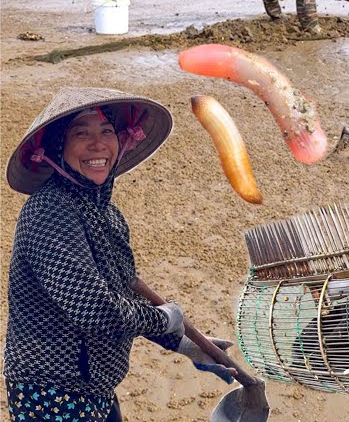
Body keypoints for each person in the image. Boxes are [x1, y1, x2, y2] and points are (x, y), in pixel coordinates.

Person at [5, 88, 237, 421]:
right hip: (51, 396)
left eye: (107, 131)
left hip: (96, 389)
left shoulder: (107, 214)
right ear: (58, 147)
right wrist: (166, 318)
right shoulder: (49, 212)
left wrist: (183, 344)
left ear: (121, 140)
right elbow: (99, 313)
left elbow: (122, 296)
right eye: (80, 133)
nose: (97, 144)